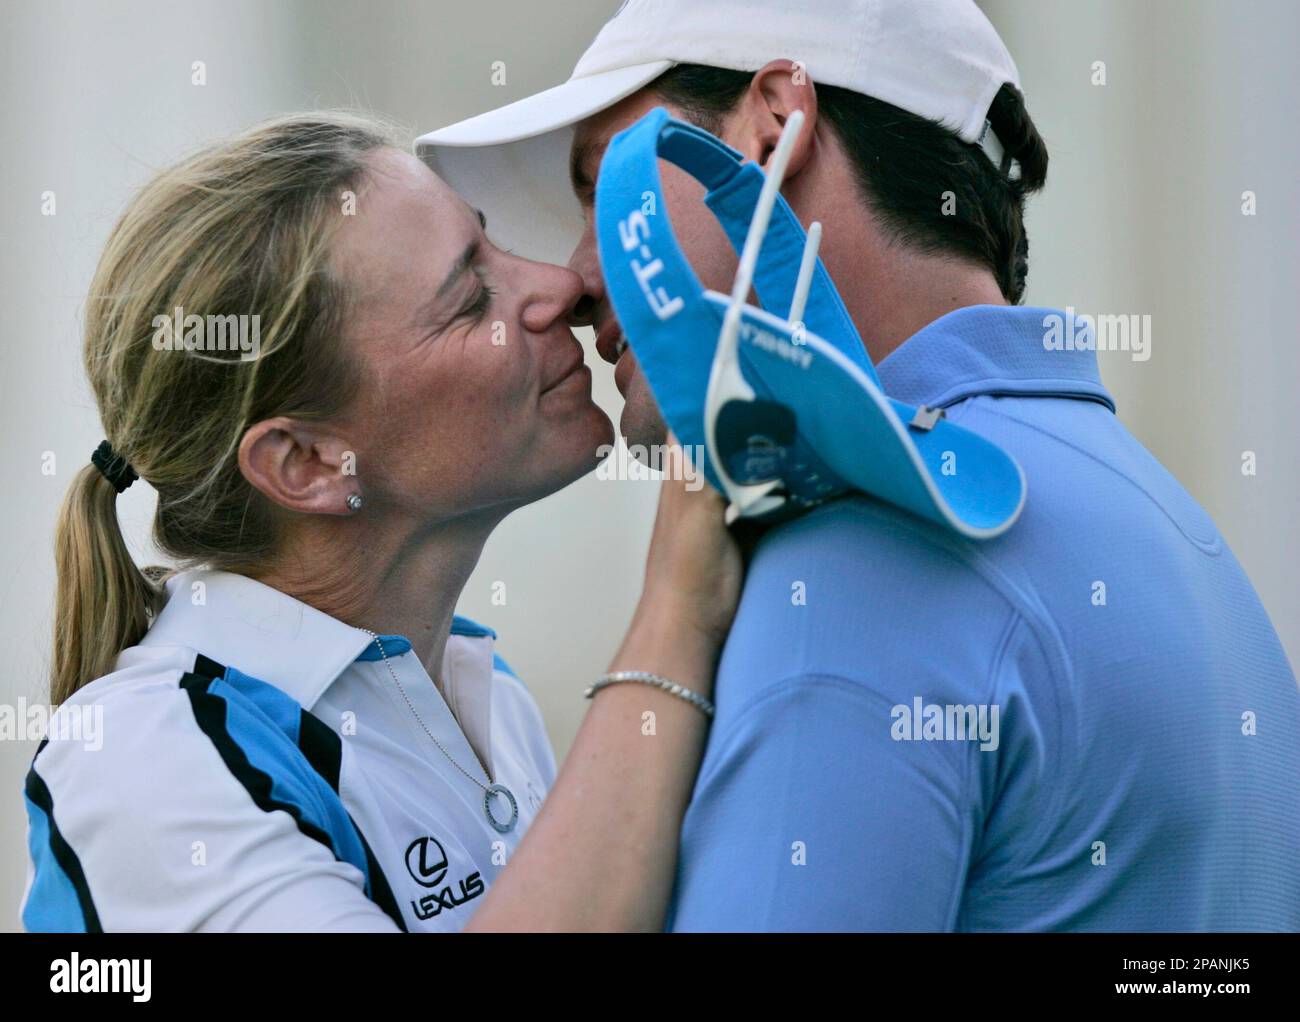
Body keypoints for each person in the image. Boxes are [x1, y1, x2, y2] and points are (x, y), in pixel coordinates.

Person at [418, 0, 1300, 930]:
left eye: (603, 189)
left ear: (770, 130)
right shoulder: (1170, 524)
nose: (576, 274)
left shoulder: (865, 546)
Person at [22, 112, 740, 932]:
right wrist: (677, 611)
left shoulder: (484, 694)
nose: (560, 286)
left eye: (492, 239)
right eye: (471, 299)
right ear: (308, 465)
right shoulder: (146, 756)